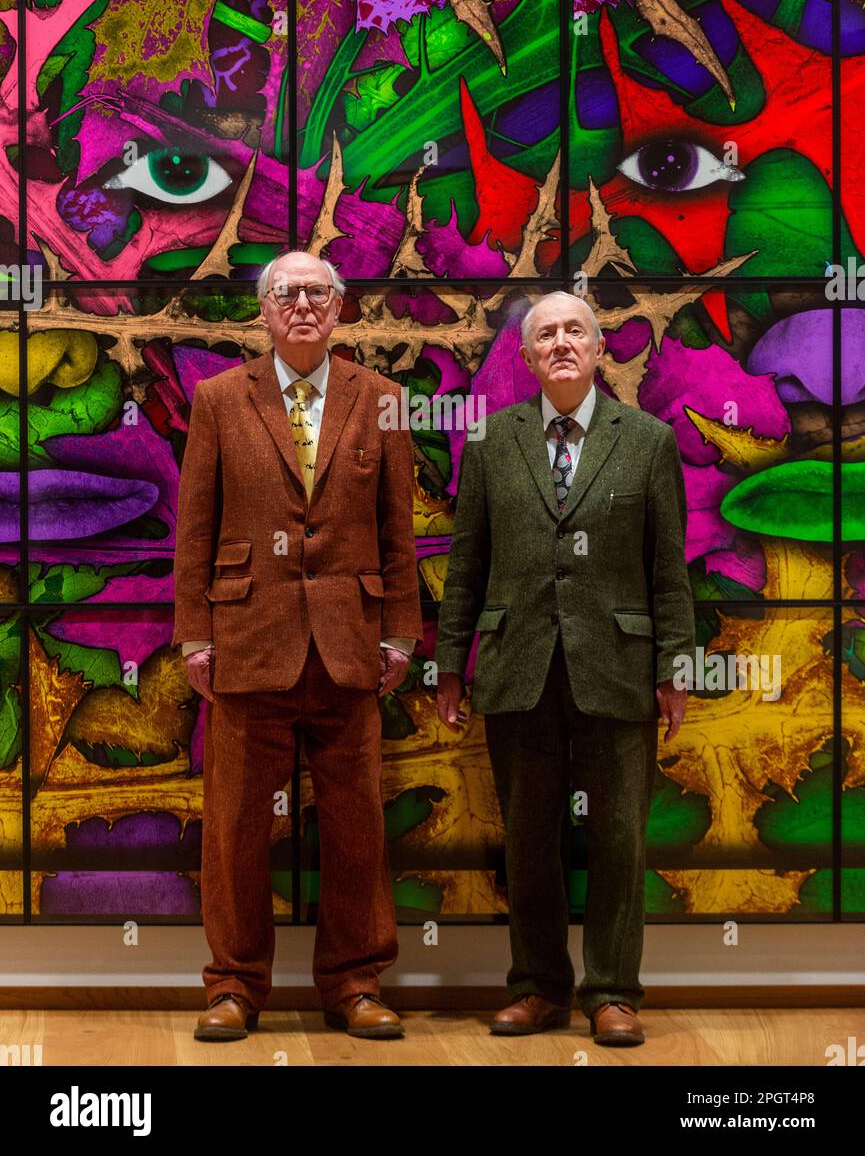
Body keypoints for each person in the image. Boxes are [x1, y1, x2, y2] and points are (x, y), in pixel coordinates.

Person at [172, 251, 423, 1041]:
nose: (303, 304)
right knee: (235, 830)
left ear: (340, 307)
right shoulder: (218, 399)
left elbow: (397, 530)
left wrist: (402, 632)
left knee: (356, 828)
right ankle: (234, 986)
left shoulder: (382, 400)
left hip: (351, 645)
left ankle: (354, 983)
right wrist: (194, 634)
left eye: (318, 292)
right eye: (287, 293)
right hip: (247, 642)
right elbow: (195, 529)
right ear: (265, 310)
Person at [434, 291, 695, 1045]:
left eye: (574, 330)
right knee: (527, 839)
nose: (560, 343)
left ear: (597, 346)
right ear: (525, 356)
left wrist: (675, 664)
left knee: (619, 837)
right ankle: (538, 987)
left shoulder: (647, 441)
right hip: (517, 666)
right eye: (544, 333)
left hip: (617, 666)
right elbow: (466, 564)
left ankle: (612, 992)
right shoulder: (491, 442)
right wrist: (449, 663)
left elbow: (667, 567)